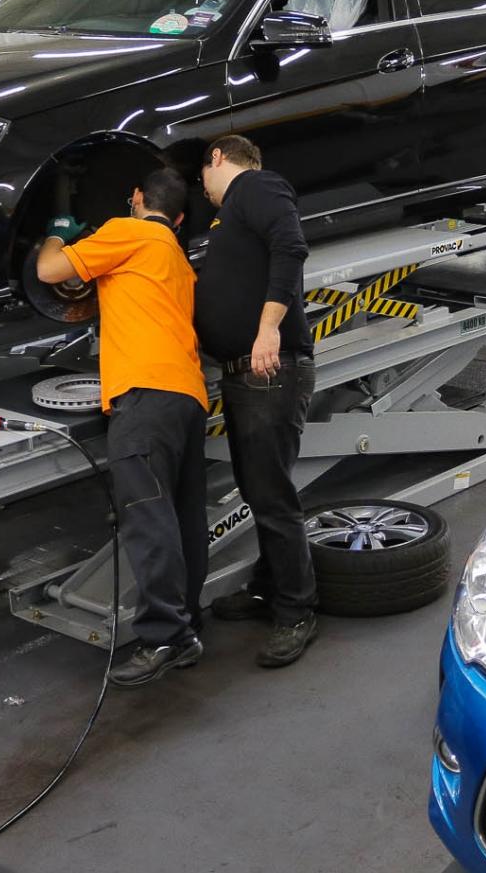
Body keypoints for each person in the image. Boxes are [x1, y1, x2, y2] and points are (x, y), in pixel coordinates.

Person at [36, 166, 210, 688]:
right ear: (179, 219)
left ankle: (165, 637)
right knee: (181, 517)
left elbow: (50, 270)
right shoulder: (176, 257)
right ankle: (187, 624)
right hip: (186, 395)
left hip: (145, 397)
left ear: (135, 197)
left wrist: (60, 232)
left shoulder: (127, 230)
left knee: (146, 517)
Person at [195, 134, 320, 668]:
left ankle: (297, 611)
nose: (203, 189)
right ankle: (270, 588)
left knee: (270, 495)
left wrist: (268, 329)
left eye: (202, 175)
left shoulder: (255, 186)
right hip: (246, 375)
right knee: (259, 489)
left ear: (218, 159)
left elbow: (291, 246)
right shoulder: (233, 217)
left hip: (270, 366)